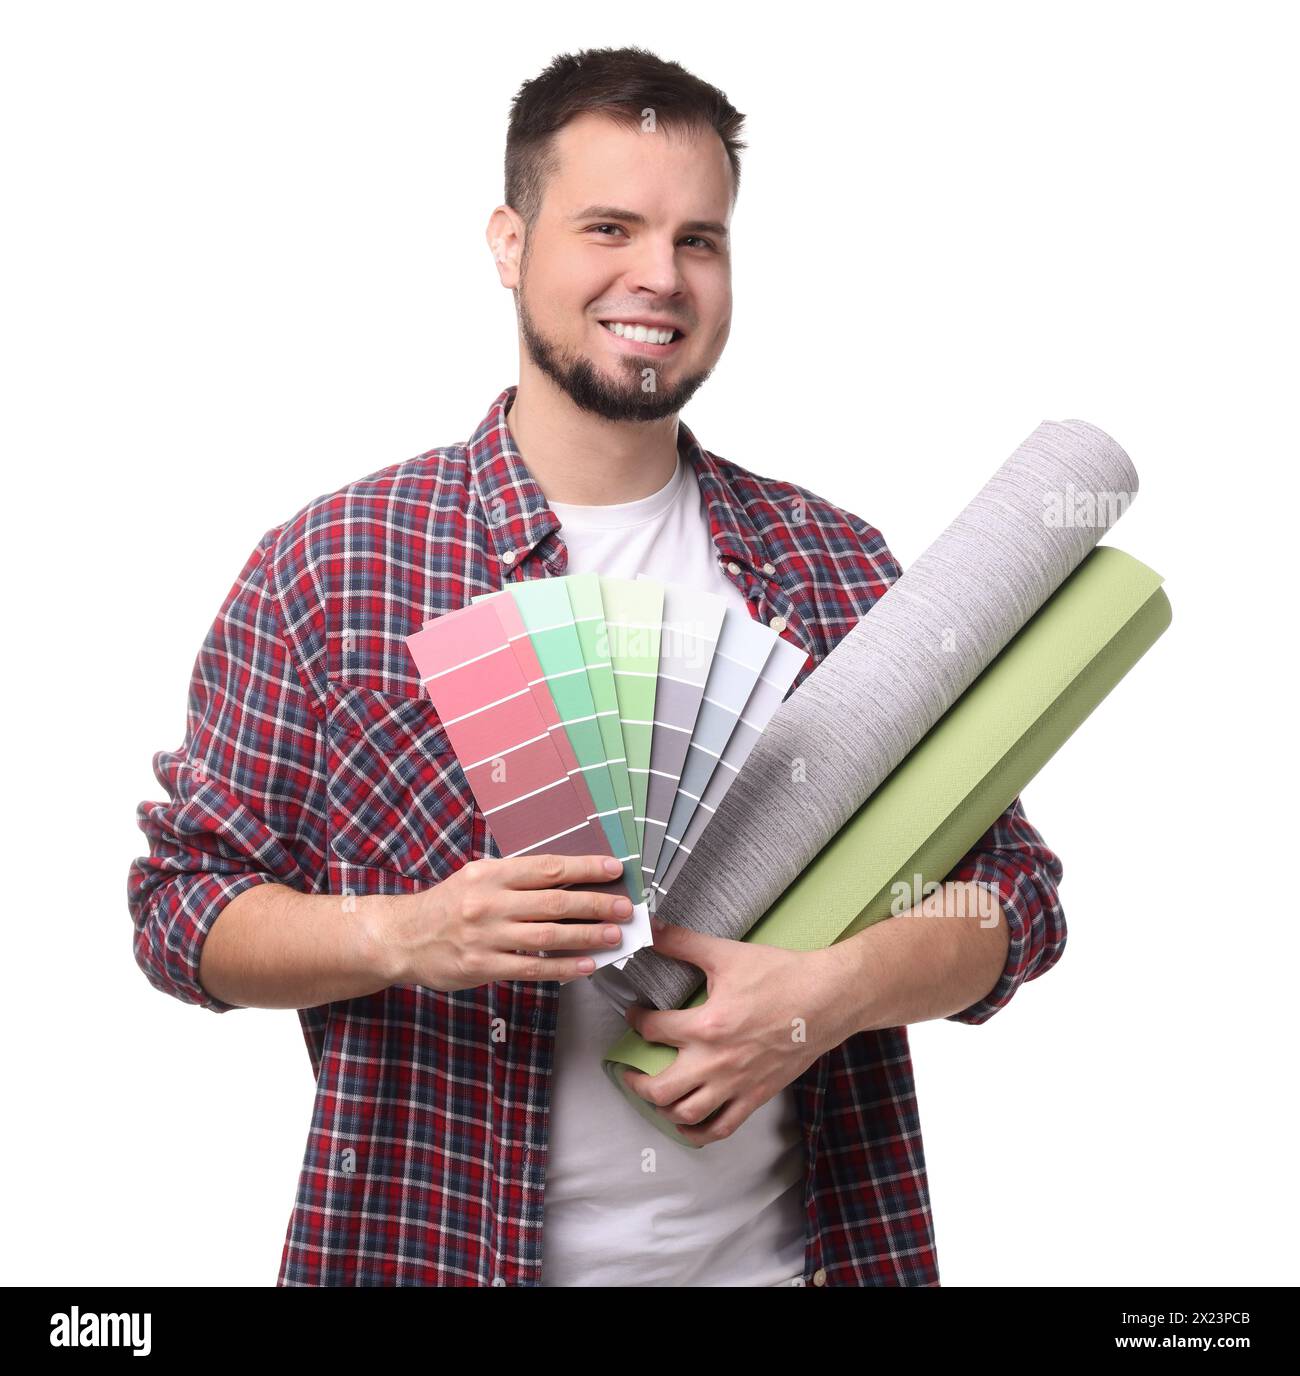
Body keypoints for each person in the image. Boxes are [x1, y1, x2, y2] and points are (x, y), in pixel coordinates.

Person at [128, 45, 1066, 1288]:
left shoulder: (833, 565)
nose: (658, 278)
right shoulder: (333, 566)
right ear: (510, 243)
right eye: (609, 227)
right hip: (435, 1249)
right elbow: (180, 907)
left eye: (699, 239)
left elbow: (1013, 898)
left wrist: (829, 990)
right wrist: (405, 931)